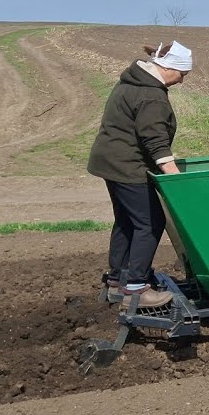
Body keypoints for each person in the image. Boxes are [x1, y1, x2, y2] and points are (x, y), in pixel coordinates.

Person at [87, 41, 192, 308]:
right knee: (150, 223)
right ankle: (135, 289)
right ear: (169, 67)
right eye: (182, 74)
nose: (181, 81)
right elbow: (154, 141)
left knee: (127, 221)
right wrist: (178, 181)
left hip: (110, 162)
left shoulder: (132, 81)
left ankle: (117, 281)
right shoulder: (151, 95)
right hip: (127, 165)